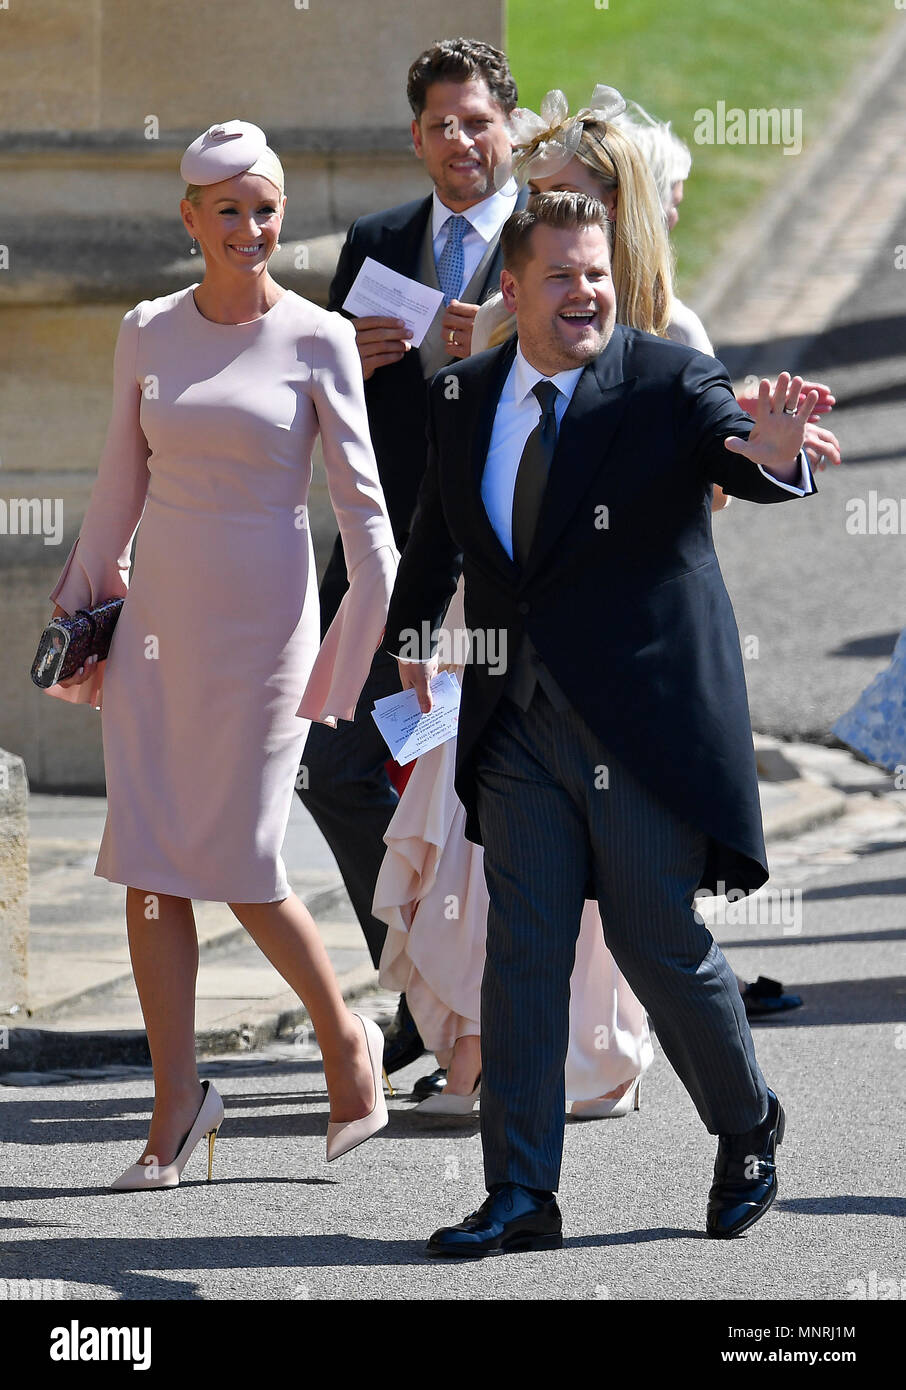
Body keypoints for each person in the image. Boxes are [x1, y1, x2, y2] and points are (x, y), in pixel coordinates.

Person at [386, 192, 816, 1254]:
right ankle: (522, 1192)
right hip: (516, 727)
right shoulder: (465, 393)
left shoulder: (669, 383)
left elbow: (737, 455)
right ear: (516, 290)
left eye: (598, 274)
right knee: (520, 953)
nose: (586, 292)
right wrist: (406, 649)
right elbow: (440, 534)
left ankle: (748, 1120)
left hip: (639, 728)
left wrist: (774, 450)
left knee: (656, 939)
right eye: (563, 275)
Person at [43, 120, 398, 1186]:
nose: (253, 227)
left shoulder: (320, 337)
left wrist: (356, 655)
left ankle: (346, 1040)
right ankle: (176, 1110)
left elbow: (367, 523)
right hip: (159, 633)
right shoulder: (146, 331)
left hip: (268, 638)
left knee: (244, 861)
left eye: (268, 207)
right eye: (231, 208)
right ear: (191, 218)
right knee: (150, 869)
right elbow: (118, 489)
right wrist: (79, 618)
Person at [295, 37, 527, 1077]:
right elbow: (319, 399)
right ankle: (417, 972)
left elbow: (609, 369)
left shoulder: (548, 233)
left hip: (500, 562)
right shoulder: (378, 239)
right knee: (335, 766)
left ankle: (486, 1010)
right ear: (416, 138)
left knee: (476, 782)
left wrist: (514, 348)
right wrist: (340, 353)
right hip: (384, 551)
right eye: (440, 125)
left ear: (508, 126)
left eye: (477, 121)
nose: (460, 141)